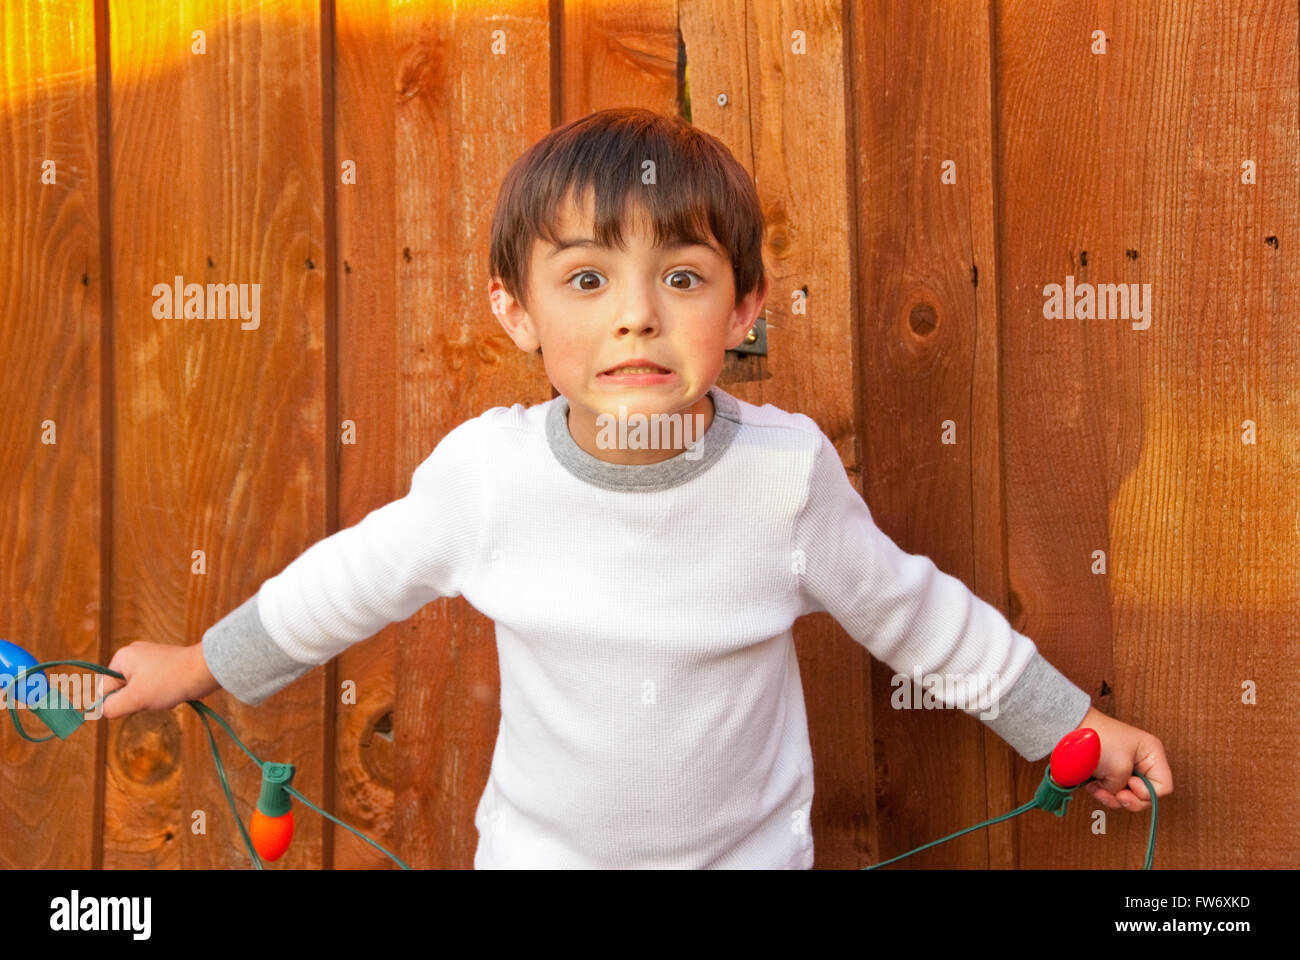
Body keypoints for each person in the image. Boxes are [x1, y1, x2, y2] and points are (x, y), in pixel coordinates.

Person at [94, 107, 1172, 868]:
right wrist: (198, 663)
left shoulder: (783, 476)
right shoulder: (488, 479)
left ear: (744, 309)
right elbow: (342, 585)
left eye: (684, 277)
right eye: (586, 278)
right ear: (517, 313)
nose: (636, 314)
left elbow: (920, 619)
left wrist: (1068, 728)